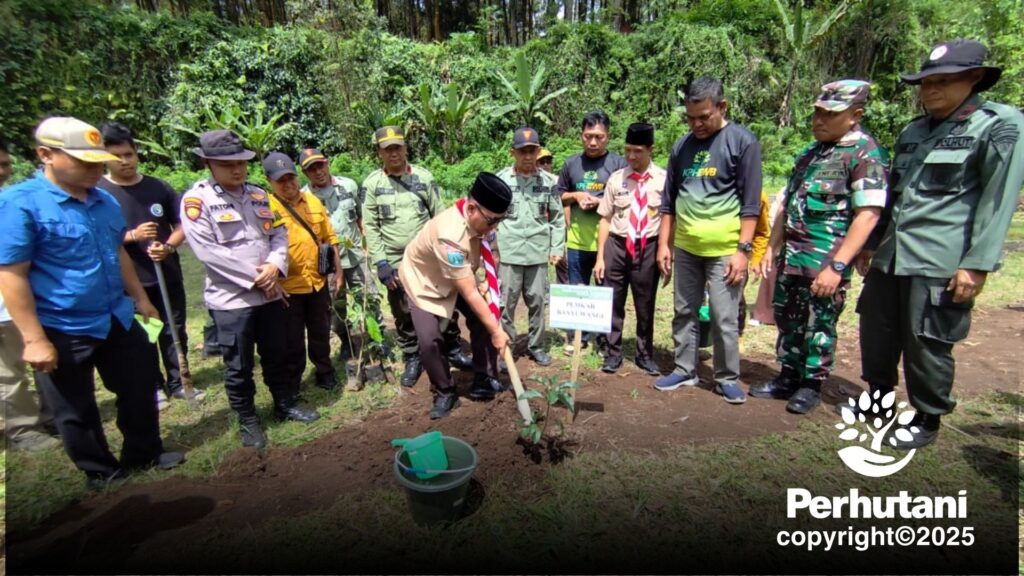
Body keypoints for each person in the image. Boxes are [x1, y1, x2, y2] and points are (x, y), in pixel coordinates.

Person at [856, 39, 1024, 448]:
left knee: (926, 340)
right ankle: (878, 401)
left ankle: (927, 417)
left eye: (944, 81)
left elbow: (998, 199)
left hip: (940, 257)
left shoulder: (998, 125)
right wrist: (873, 242)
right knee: (876, 330)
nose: (931, 90)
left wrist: (977, 263)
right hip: (892, 254)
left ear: (975, 78)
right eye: (926, 83)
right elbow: (894, 193)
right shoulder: (913, 131)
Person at [0, 117, 182, 489]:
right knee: (75, 405)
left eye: (98, 161)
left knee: (139, 383)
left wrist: (141, 299)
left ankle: (144, 453)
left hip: (116, 313)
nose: (96, 169)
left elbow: (119, 252)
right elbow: (12, 273)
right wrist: (33, 339)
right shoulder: (20, 204)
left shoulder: (104, 200)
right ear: (45, 154)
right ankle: (100, 471)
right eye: (84, 161)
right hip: (62, 323)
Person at [749, 80, 888, 415]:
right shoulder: (810, 153)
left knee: (819, 324)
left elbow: (868, 215)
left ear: (855, 115)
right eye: (817, 112)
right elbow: (788, 205)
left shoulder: (865, 154)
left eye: (830, 114)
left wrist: (838, 266)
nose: (819, 120)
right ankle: (788, 376)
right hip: (793, 257)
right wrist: (772, 247)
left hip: (826, 260)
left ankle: (811, 385)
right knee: (788, 318)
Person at [181, 130, 319, 450]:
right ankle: (247, 419)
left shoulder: (259, 195)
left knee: (277, 354)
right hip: (232, 299)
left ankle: (284, 404)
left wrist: (274, 266)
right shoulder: (198, 201)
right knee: (239, 365)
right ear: (207, 163)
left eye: (241, 163)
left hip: (269, 294)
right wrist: (259, 277)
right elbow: (208, 252)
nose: (237, 170)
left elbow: (279, 235)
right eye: (227, 164)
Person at [655, 77, 763, 404]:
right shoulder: (681, 147)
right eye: (690, 118)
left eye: (703, 117)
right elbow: (669, 201)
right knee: (684, 310)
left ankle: (726, 377)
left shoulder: (742, 142)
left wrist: (743, 251)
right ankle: (684, 368)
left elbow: (751, 204)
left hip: (725, 250)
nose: (696, 124)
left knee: (723, 316)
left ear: (722, 107)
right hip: (686, 247)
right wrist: (664, 245)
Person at [98, 122, 203, 409]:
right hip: (131, 281)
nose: (124, 161)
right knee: (144, 334)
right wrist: (132, 236)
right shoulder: (100, 193)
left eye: (129, 154)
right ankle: (153, 384)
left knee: (173, 329)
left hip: (166, 274)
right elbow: (99, 236)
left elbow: (182, 224)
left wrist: (168, 246)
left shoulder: (157, 187)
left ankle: (178, 380)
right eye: (116, 156)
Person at [361, 126, 471, 388]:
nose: (394, 153)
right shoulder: (372, 185)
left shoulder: (423, 177)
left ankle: (452, 347)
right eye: (388, 149)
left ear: (405, 148)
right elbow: (371, 227)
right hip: (395, 259)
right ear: (379, 153)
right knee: (402, 310)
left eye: (398, 147)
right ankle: (413, 356)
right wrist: (381, 263)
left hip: (428, 258)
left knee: (444, 300)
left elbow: (440, 216)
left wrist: (445, 253)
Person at [399, 173, 513, 419]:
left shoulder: (482, 221)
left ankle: (485, 377)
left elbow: (486, 253)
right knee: (429, 339)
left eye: (499, 220)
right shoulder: (449, 235)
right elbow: (468, 291)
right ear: (471, 209)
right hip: (425, 282)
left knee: (484, 319)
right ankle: (445, 391)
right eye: (492, 221)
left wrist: (487, 279)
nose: (495, 227)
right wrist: (497, 331)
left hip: (459, 274)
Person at [264, 152, 343, 391]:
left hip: (317, 282)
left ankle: (324, 371)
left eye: (291, 178)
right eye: (281, 180)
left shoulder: (312, 202)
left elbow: (330, 238)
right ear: (269, 181)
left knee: (320, 331)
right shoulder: (265, 208)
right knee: (293, 338)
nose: (288, 184)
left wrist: (338, 272)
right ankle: (294, 381)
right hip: (288, 287)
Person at [0, 139, 59, 452]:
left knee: (45, 363)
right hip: (3, 306)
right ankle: (24, 429)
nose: (2, 171)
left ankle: (54, 416)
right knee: (9, 372)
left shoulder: (17, 201)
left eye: (5, 164)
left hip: (31, 301)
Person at [593, 122, 665, 375]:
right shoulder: (616, 179)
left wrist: (666, 250)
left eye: (637, 151)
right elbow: (605, 218)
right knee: (613, 301)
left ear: (650, 149)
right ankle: (613, 353)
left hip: (648, 247)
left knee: (645, 303)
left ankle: (644, 354)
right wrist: (600, 257)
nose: (631, 156)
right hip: (617, 245)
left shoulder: (663, 180)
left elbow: (670, 219)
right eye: (627, 150)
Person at [557, 110, 628, 354]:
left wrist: (600, 202)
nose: (593, 142)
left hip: (608, 242)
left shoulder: (619, 165)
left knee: (606, 292)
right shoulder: (571, 164)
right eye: (588, 136)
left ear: (608, 136)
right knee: (578, 291)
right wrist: (576, 196)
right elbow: (559, 194)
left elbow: (627, 196)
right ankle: (579, 338)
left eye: (599, 136)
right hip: (577, 240)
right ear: (581, 135)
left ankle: (604, 341)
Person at [495, 127, 564, 367]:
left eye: (532, 151)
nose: (527, 156)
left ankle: (537, 346)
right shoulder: (501, 180)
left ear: (538, 152)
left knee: (537, 303)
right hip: (509, 253)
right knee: (506, 305)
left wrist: (557, 248)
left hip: (537, 253)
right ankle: (507, 348)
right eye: (522, 151)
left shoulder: (548, 182)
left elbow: (557, 218)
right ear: (512, 152)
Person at [298, 147, 371, 364]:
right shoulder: (304, 198)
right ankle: (346, 342)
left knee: (370, 298)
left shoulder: (349, 185)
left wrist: (366, 245)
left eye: (320, 165)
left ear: (327, 163)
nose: (318, 171)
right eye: (311, 169)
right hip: (328, 263)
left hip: (356, 256)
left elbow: (360, 217)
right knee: (335, 306)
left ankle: (376, 341)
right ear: (305, 173)